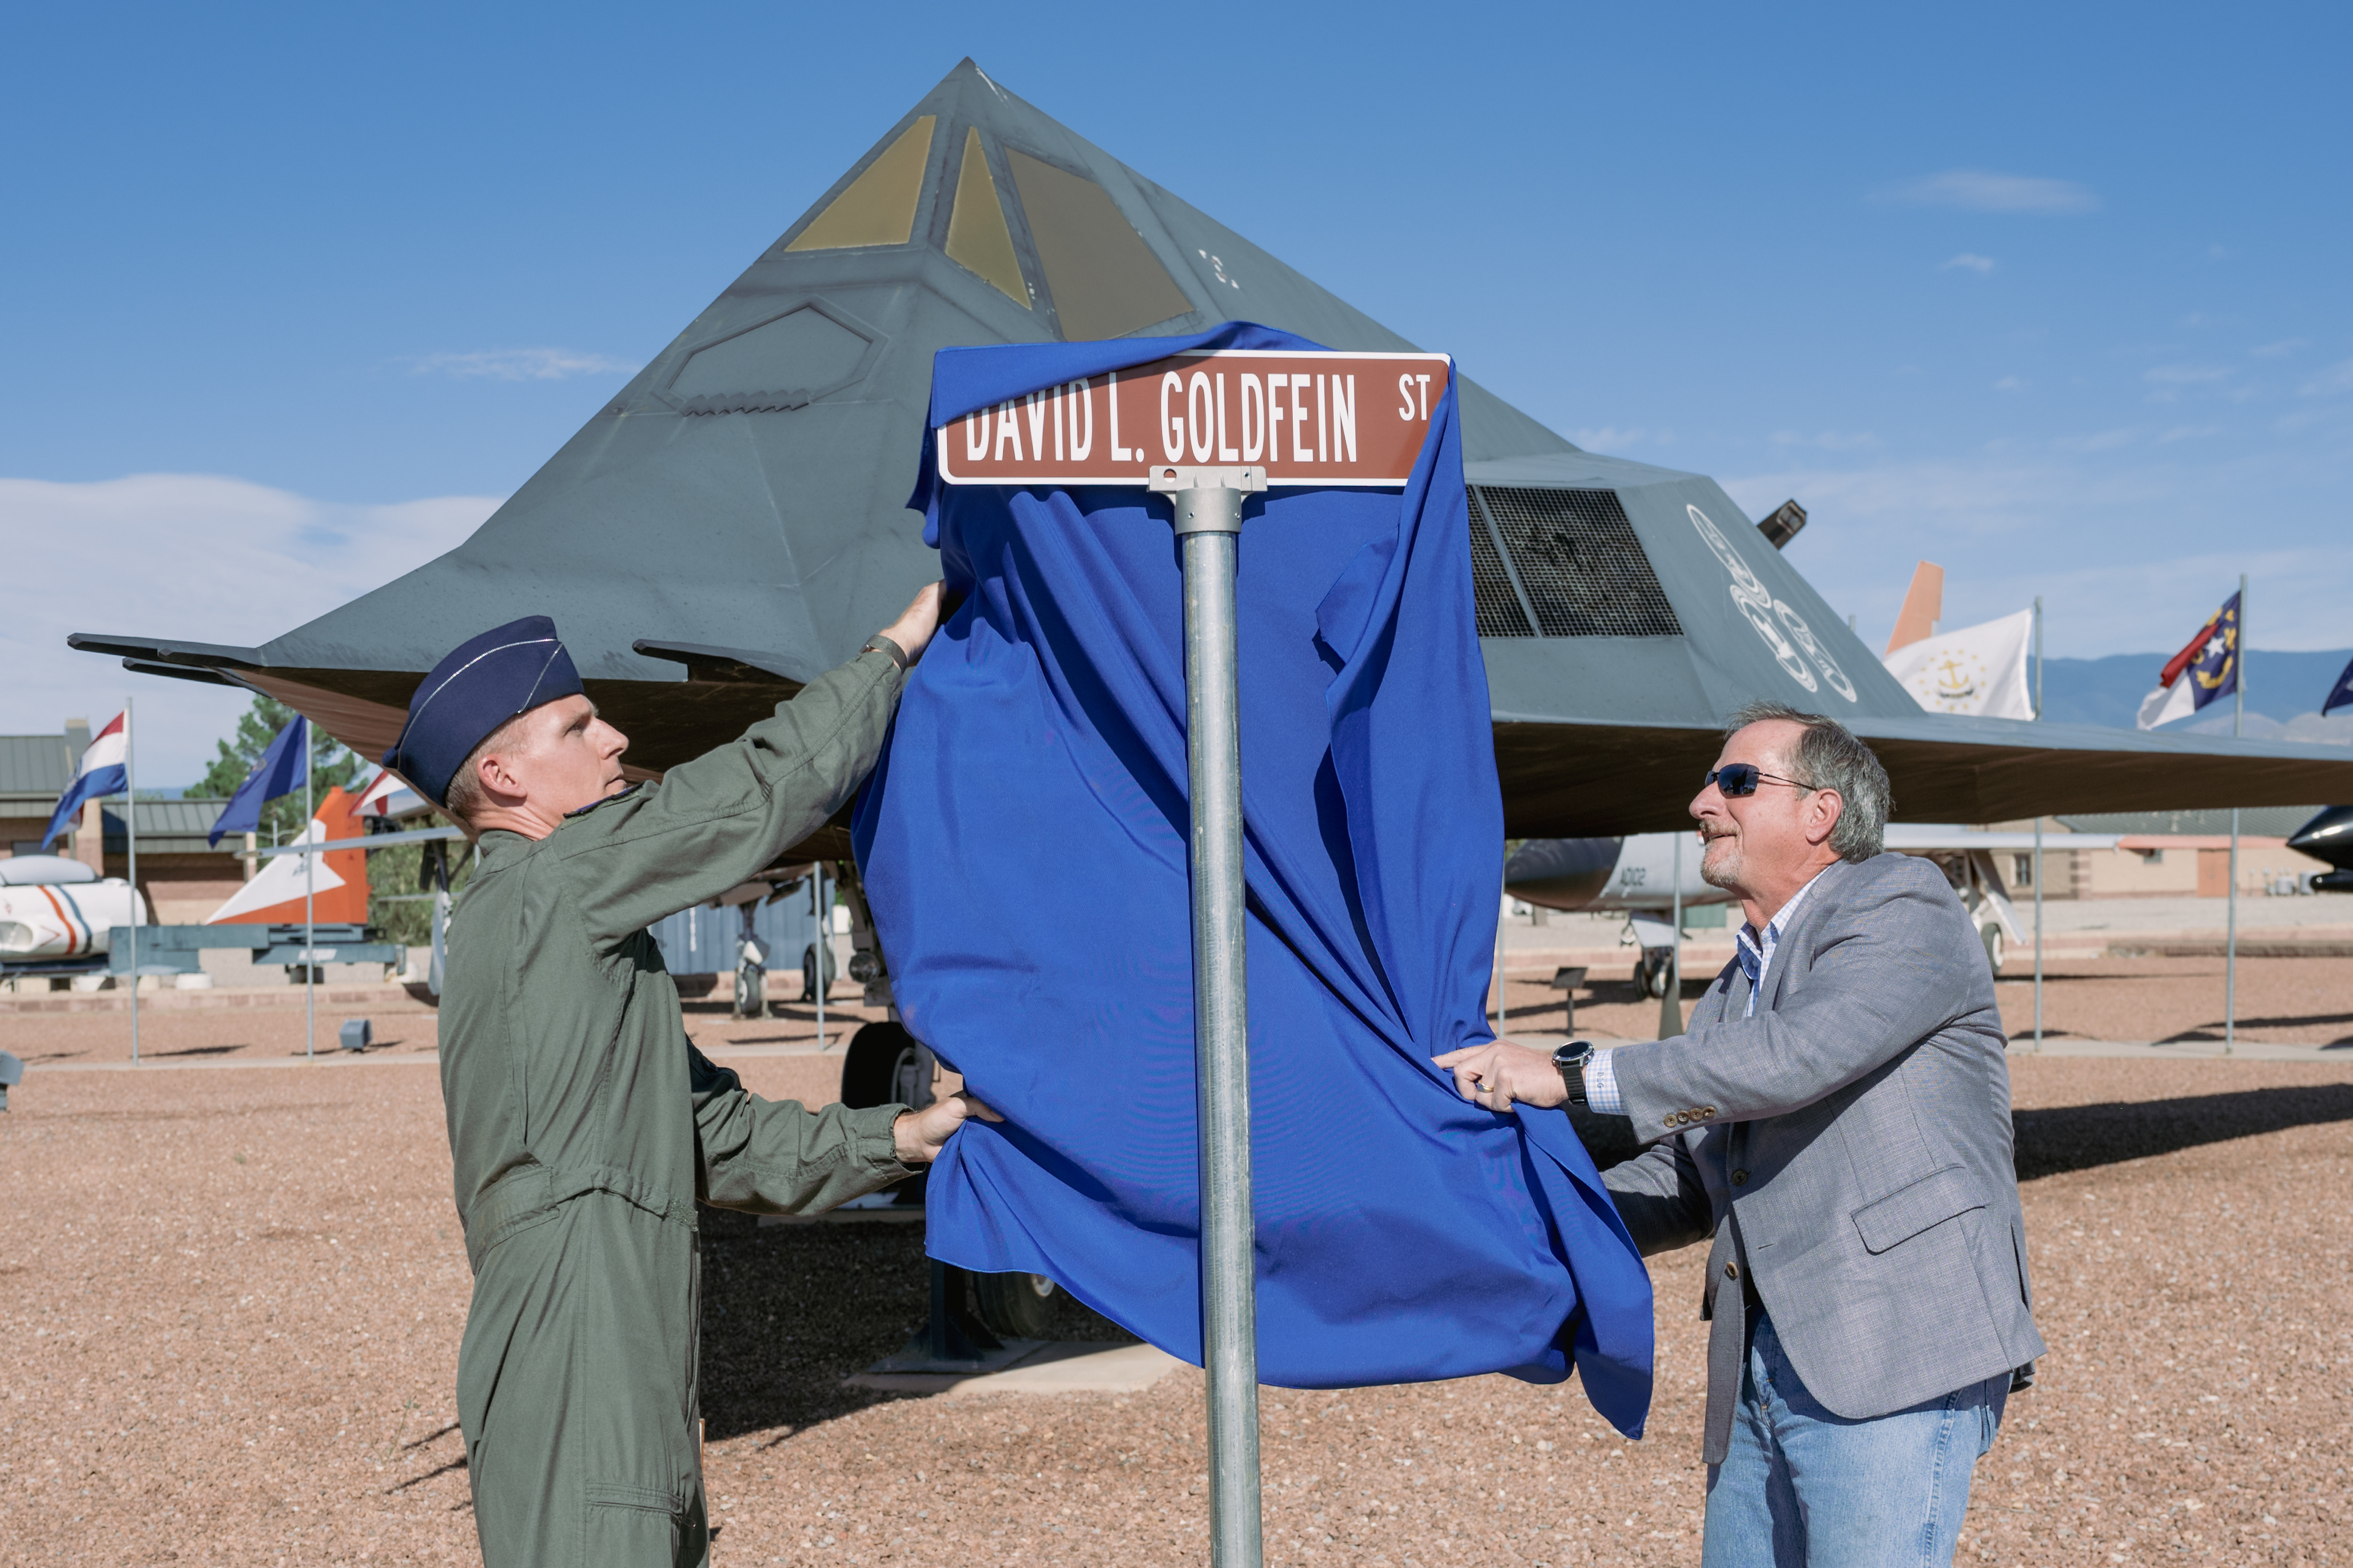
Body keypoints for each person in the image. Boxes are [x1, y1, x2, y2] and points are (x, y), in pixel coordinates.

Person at [380, 588, 994, 1568]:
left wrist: (898, 1138)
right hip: (578, 1333)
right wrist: (890, 653)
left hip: (617, 1336)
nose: (615, 738)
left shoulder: (559, 931)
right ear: (501, 775)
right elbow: (745, 800)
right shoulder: (548, 881)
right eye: (578, 727)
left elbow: (716, 1136)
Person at [1436, 701, 2041, 1567]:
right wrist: (1521, 1227)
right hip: (1758, 1364)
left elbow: (1794, 1057)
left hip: (1894, 1351)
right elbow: (1691, 1174)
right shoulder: (1731, 990)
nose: (1699, 803)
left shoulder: (1906, 904)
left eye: (1735, 782)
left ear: (1820, 813)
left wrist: (1566, 1074)